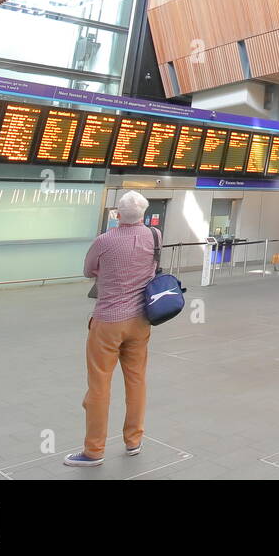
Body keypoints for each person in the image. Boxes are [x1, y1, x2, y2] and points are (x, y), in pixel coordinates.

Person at [66, 190, 158, 466]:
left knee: (99, 385)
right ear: (143, 214)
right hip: (141, 320)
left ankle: (94, 450)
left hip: (107, 321)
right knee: (137, 381)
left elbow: (88, 270)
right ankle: (134, 441)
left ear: (117, 215)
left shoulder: (104, 241)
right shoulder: (155, 236)